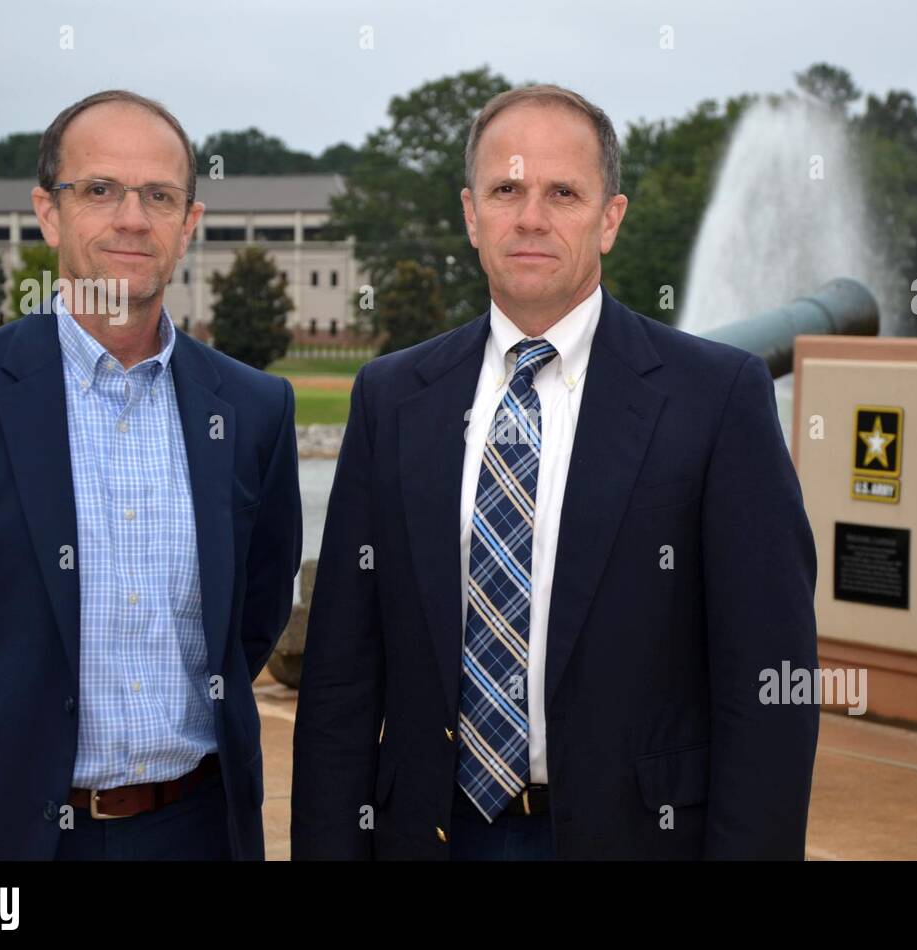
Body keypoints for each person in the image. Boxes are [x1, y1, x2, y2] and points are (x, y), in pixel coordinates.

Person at [292, 84, 819, 860]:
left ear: (609, 219)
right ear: (472, 215)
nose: (531, 217)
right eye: (507, 189)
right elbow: (340, 680)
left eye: (563, 193)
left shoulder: (716, 399)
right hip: (430, 836)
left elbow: (767, 685)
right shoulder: (393, 398)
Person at [0, 89, 302, 860]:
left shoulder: (253, 408)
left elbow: (252, 620)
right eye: (99, 189)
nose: (132, 218)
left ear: (188, 224)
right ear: (48, 211)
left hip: (191, 832)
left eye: (159, 195)